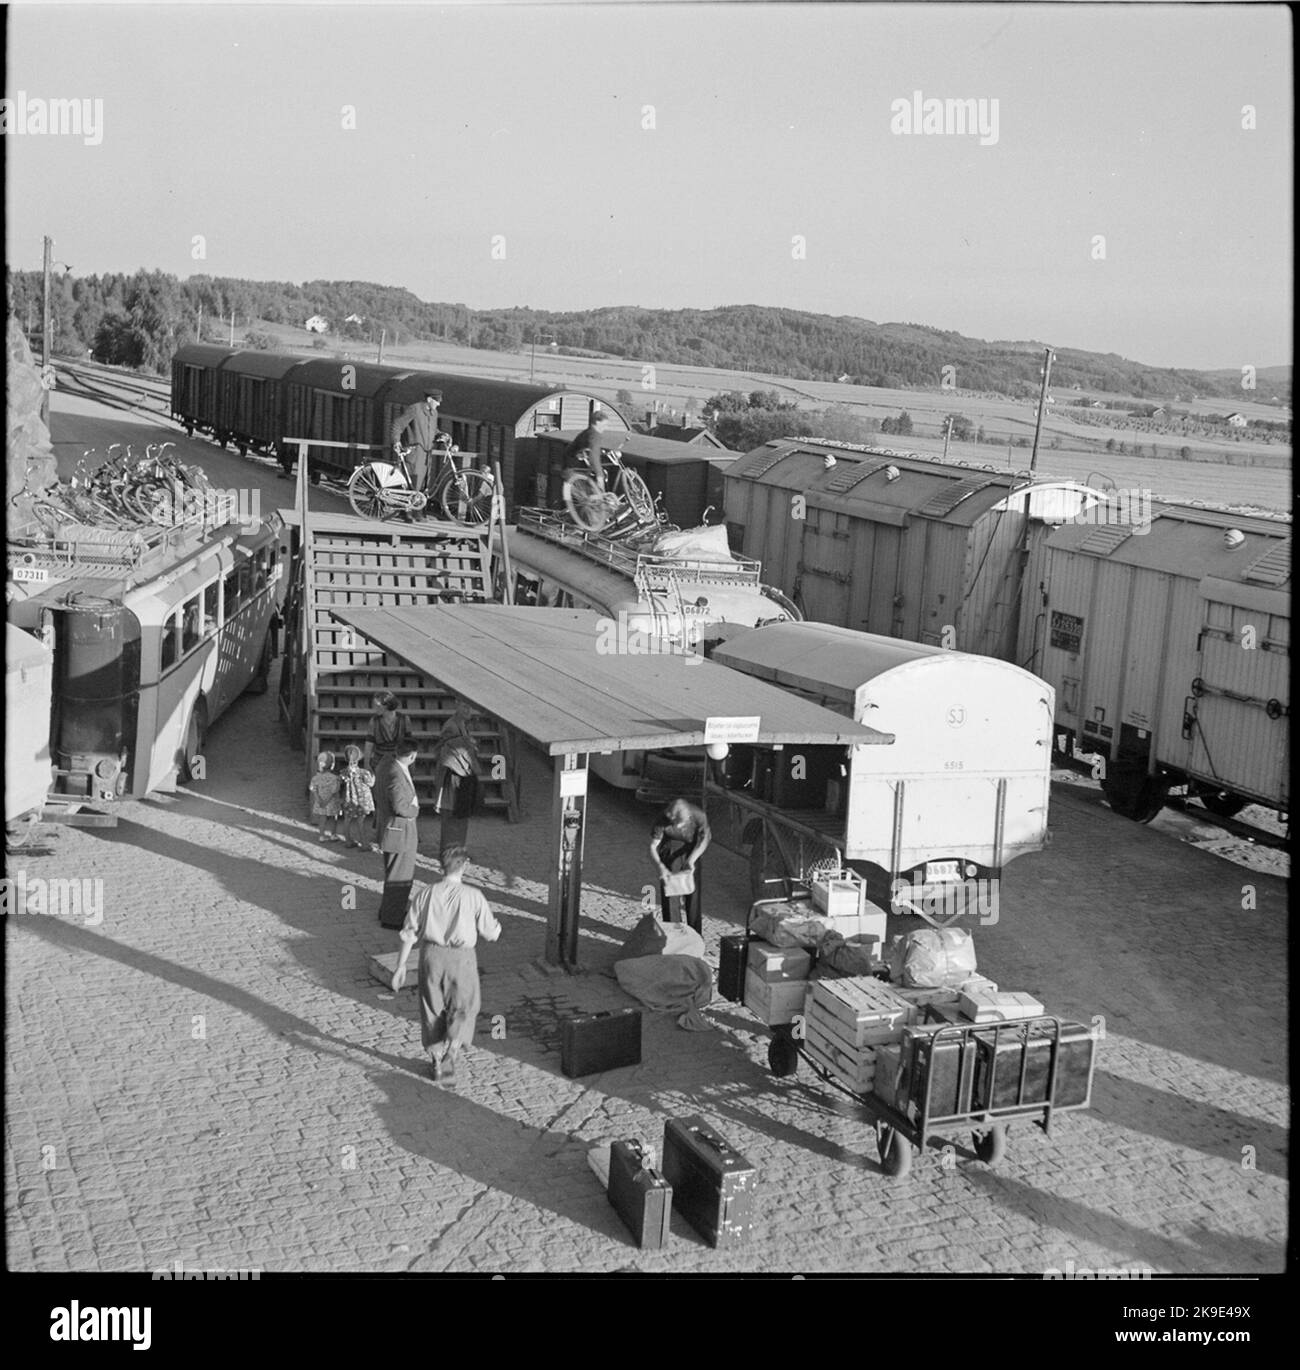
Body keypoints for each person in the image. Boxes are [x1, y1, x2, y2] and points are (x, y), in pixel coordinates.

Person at [391, 846, 502, 1086]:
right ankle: (453, 1048)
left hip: (431, 956)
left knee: (432, 1008)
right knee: (464, 1006)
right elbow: (490, 933)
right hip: (462, 958)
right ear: (465, 866)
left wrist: (400, 966)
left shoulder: (426, 893)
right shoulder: (474, 895)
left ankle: (436, 1056)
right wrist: (498, 927)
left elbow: (409, 932)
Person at [650, 796, 712, 935]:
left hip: (692, 849)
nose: (679, 827)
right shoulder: (663, 818)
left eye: (682, 824)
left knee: (693, 894)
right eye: (675, 824)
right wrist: (660, 866)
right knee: (671, 895)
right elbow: (653, 846)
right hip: (670, 849)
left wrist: (691, 860)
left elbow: (704, 840)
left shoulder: (699, 815)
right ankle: (674, 934)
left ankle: (695, 935)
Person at [376, 742, 421, 929]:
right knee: (400, 875)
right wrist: (414, 811)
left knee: (394, 873)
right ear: (412, 756)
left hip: (391, 827)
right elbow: (400, 807)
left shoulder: (387, 765)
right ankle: (392, 917)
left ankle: (387, 910)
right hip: (400, 830)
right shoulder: (396, 775)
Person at [432, 701, 483, 859]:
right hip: (453, 775)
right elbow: (446, 750)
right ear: (457, 706)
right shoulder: (451, 726)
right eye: (465, 707)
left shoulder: (462, 724)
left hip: (463, 774)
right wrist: (468, 745)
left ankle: (457, 849)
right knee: (453, 814)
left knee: (461, 814)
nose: (469, 710)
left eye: (470, 707)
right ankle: (449, 852)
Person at [389, 391, 448, 494]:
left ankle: (417, 509)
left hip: (426, 456)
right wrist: (396, 441)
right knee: (410, 488)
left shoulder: (434, 413)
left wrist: (441, 435)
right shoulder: (415, 409)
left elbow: (433, 430)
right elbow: (398, 424)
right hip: (414, 455)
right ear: (429, 399)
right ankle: (405, 509)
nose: (439, 404)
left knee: (422, 489)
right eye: (437, 401)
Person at [563, 409, 614, 494]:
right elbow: (593, 456)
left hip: (570, 468)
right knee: (596, 495)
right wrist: (599, 475)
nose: (606, 427)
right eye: (605, 424)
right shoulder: (595, 435)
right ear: (597, 422)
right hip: (575, 470)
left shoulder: (586, 433)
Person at [339, 744, 376, 850]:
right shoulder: (364, 773)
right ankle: (364, 843)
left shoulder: (344, 772)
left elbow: (340, 781)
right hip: (361, 801)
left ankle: (348, 841)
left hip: (348, 799)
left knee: (347, 820)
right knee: (361, 821)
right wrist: (374, 775)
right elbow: (371, 783)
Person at [363, 691, 408, 773]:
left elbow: (409, 744)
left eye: (377, 706)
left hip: (398, 762)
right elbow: (369, 744)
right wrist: (366, 764)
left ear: (387, 705)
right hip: (379, 762)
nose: (375, 708)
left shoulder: (404, 720)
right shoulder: (374, 721)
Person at [309, 752, 343, 842]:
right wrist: (327, 801)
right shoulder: (334, 778)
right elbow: (334, 791)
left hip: (320, 801)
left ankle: (321, 835)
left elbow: (313, 789)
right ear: (332, 765)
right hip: (332, 802)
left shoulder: (316, 777)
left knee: (322, 818)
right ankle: (333, 834)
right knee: (333, 818)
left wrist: (319, 800)